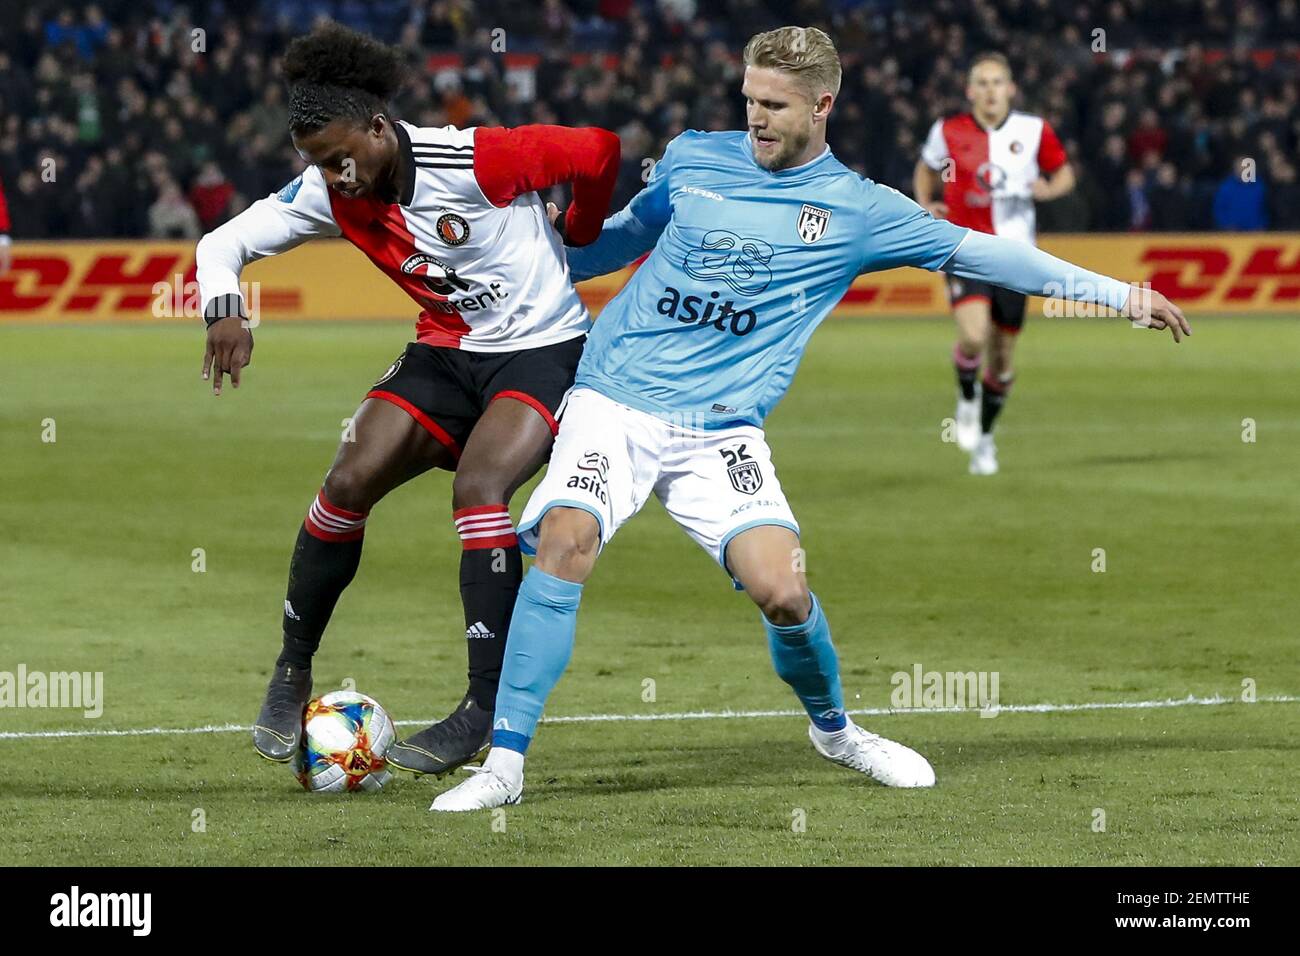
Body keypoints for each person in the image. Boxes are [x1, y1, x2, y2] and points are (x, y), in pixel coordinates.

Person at [429, 26, 1189, 812]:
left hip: (722, 427)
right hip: (614, 398)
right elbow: (618, 240)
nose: (754, 118)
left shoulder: (861, 210)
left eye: (774, 105)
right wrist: (513, 258)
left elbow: (983, 253)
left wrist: (1117, 293)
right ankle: (505, 767)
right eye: (749, 100)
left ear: (823, 105)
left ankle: (836, 732)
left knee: (783, 591)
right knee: (565, 542)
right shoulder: (693, 157)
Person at [194, 22, 619, 775]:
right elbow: (221, 245)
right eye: (320, 164)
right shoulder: (327, 189)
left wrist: (579, 230)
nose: (337, 176)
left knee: (480, 488)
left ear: (380, 127)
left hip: (541, 349)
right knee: (347, 480)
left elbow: (597, 149)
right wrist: (225, 307)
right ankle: (293, 671)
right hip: (447, 349)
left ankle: (484, 707)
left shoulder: (478, 158)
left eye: (342, 155)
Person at [913, 52, 1077, 475]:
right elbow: (926, 169)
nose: (990, 90)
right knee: (973, 335)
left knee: (1002, 359)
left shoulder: (1034, 130)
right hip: (965, 249)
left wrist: (1047, 189)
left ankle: (985, 439)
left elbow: (1065, 175)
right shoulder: (947, 131)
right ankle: (966, 396)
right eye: (982, 83)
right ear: (970, 91)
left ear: (1011, 89)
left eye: (997, 82)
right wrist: (925, 203)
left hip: (1017, 257)